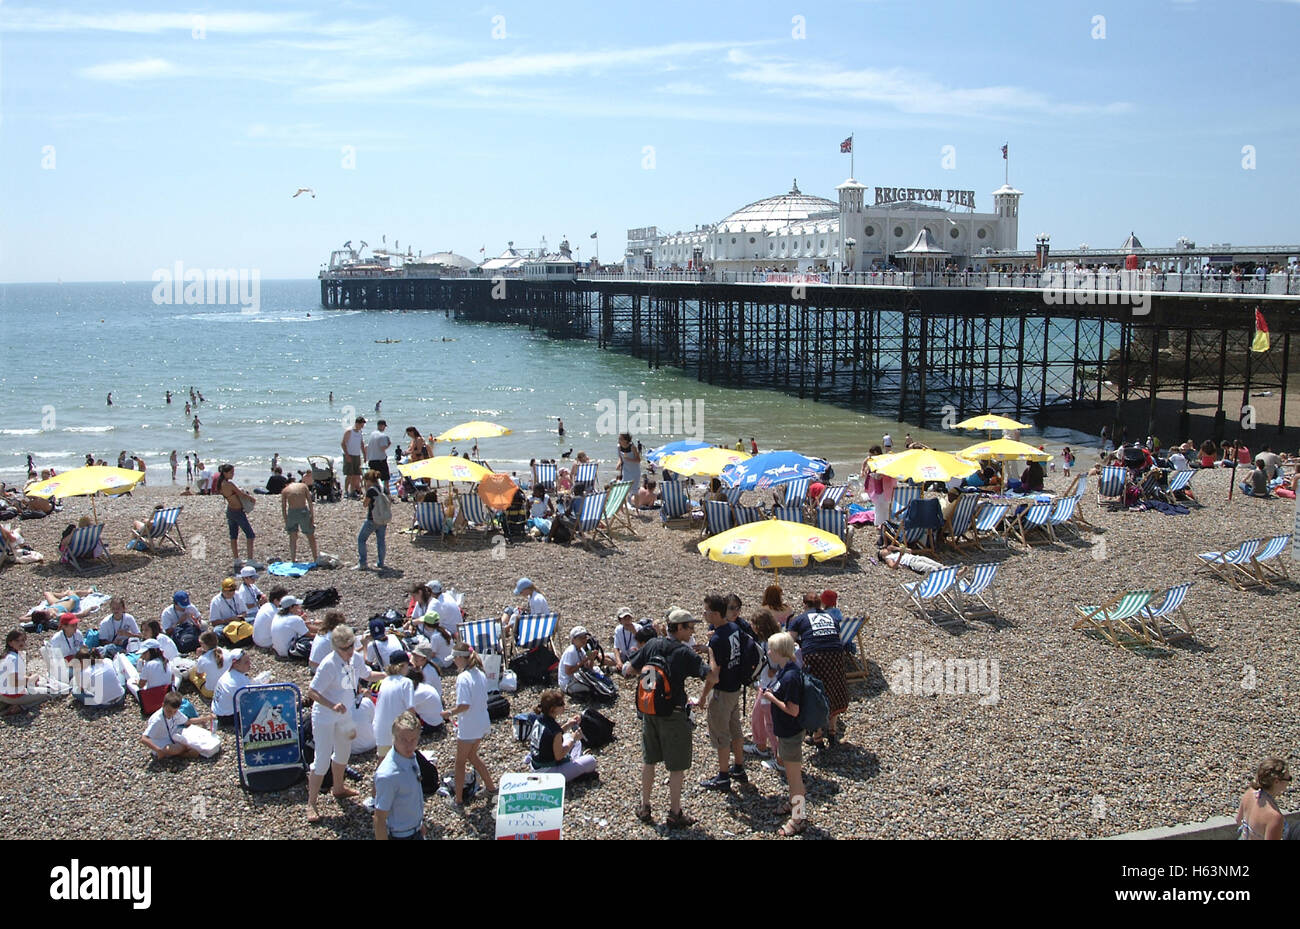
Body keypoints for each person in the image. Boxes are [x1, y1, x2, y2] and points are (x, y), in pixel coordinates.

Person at [624, 609, 715, 828]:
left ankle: (644, 806)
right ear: (680, 628)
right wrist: (712, 654)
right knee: (676, 766)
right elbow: (711, 676)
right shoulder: (684, 653)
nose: (693, 631)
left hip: (649, 712)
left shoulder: (653, 644)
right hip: (673, 714)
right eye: (690, 627)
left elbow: (629, 669)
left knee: (649, 760)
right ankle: (675, 813)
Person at [306, 625, 362, 822]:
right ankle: (311, 803)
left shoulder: (355, 659)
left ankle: (338, 788)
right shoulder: (329, 664)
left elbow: (366, 674)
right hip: (325, 715)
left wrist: (391, 675)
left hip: (345, 714)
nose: (349, 651)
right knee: (321, 760)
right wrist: (332, 705)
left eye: (351, 646)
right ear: (336, 648)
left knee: (344, 752)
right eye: (345, 648)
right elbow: (312, 692)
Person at [696, 593, 747, 791]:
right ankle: (739, 767)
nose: (704, 613)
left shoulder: (717, 639)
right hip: (735, 687)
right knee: (735, 728)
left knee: (720, 734)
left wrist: (701, 698)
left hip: (722, 691)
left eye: (707, 611)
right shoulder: (734, 628)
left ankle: (723, 776)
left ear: (716, 613)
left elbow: (713, 675)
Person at [785, 591, 848, 747]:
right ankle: (832, 731)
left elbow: (788, 642)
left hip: (815, 656)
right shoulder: (831, 617)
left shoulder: (799, 619)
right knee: (833, 688)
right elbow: (838, 638)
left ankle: (818, 735)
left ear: (805, 605)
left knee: (814, 692)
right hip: (836, 655)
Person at [760, 631, 808, 836]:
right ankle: (792, 803)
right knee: (791, 776)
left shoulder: (789, 676)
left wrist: (771, 698)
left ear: (779, 652)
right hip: (786, 732)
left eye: (771, 648)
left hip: (790, 733)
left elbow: (793, 710)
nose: (769, 651)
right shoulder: (787, 669)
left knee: (794, 777)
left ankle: (798, 818)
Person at [441, 644, 496, 809]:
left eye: (455, 659)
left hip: (469, 725)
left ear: (460, 658)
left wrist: (448, 713)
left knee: (460, 763)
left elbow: (464, 705)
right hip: (481, 721)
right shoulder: (480, 673)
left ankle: (458, 800)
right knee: (472, 756)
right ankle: (491, 788)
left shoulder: (463, 678)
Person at [373, 710, 428, 840]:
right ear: (394, 737)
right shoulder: (388, 775)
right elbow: (379, 818)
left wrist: (420, 824)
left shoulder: (410, 756)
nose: (409, 745)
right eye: (403, 739)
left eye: (413, 739)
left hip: (416, 830)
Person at [528, 689, 597, 782]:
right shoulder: (554, 729)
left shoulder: (539, 718)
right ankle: (574, 772)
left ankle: (573, 765)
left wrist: (568, 725)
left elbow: (551, 737)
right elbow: (559, 756)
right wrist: (574, 739)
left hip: (536, 765)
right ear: (553, 709)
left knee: (568, 736)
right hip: (548, 774)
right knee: (591, 761)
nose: (564, 705)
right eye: (561, 704)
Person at [1, 629, 63, 714]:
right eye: (17, 641)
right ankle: (21, 707)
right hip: (13, 696)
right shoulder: (14, 658)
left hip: (2, 694)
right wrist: (30, 679)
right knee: (52, 692)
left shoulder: (5, 655)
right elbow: (14, 681)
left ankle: (7, 704)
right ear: (10, 643)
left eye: (23, 640)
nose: (21, 643)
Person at [141, 692, 214, 761]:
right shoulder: (157, 720)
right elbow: (144, 738)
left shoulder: (176, 713)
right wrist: (158, 750)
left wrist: (206, 718)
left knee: (192, 737)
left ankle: (185, 751)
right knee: (171, 749)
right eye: (169, 711)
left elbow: (188, 721)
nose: (171, 714)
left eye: (174, 711)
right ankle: (184, 753)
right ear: (163, 705)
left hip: (174, 737)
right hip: (161, 743)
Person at [1236, 757, 1291, 840]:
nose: (1289, 783)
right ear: (1276, 781)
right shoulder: (1274, 817)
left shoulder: (1249, 793)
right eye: (1289, 779)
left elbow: (1238, 820)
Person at [373, 651, 415, 758]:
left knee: (382, 761)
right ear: (403, 665)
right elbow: (410, 710)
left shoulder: (385, 681)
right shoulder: (406, 682)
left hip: (380, 729)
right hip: (398, 729)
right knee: (403, 760)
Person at [558, 626, 619, 695]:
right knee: (593, 686)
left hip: (578, 676)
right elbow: (568, 672)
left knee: (596, 670)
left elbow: (589, 668)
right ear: (573, 640)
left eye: (584, 637)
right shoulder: (571, 651)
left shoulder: (581, 649)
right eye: (580, 638)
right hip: (568, 682)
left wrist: (592, 658)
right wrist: (584, 660)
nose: (583, 640)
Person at [216, 463, 256, 562]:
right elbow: (240, 494)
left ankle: (236, 559)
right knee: (250, 535)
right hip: (238, 512)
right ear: (225, 473)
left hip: (230, 511)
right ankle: (250, 560)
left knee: (233, 536)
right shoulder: (229, 484)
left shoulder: (221, 484)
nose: (233, 474)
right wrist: (251, 498)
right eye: (231, 472)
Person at [354, 469, 390, 572]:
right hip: (383, 518)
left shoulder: (371, 490)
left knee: (361, 539)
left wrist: (365, 492)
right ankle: (381, 563)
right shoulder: (384, 489)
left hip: (372, 519)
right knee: (381, 541)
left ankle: (363, 563)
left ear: (369, 480)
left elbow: (365, 504)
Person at [210, 649, 254, 727]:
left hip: (219, 710)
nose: (250, 664)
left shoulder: (230, 673)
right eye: (246, 662)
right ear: (236, 665)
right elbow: (249, 701)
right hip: (228, 716)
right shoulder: (236, 682)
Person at [190, 631, 233, 699]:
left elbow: (199, 675)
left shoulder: (202, 659)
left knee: (192, 672)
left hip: (212, 691)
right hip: (228, 687)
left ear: (203, 644)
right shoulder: (227, 652)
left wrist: (200, 657)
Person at [341, 416, 367, 498]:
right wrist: (347, 455)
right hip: (349, 454)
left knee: (356, 474)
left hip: (357, 455)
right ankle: (346, 491)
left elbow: (361, 444)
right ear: (357, 423)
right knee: (349, 474)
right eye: (361, 425)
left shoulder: (360, 432)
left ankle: (352, 491)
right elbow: (343, 443)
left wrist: (364, 455)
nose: (362, 426)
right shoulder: (349, 431)